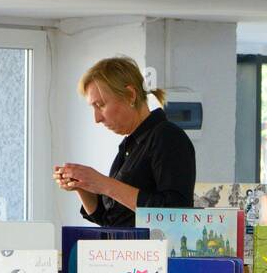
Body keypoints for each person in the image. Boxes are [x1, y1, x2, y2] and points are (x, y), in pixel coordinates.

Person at [54, 56, 196, 227]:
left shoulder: (167, 137)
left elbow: (176, 213)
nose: (97, 118)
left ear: (130, 95)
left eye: (100, 105)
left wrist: (105, 184)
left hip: (154, 252)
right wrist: (82, 186)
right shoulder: (130, 145)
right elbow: (110, 220)